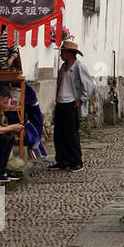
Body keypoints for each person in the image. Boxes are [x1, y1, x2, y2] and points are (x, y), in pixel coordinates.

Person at [50, 39, 95, 173]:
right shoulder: (63, 67)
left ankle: (76, 161)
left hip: (71, 104)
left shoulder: (78, 66)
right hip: (61, 103)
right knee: (59, 134)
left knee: (71, 134)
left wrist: (81, 100)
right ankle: (62, 160)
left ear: (70, 53)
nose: (60, 55)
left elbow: (90, 84)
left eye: (62, 52)